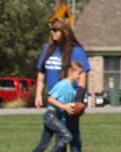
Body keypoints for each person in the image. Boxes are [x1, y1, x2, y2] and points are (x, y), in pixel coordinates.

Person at [34, 18, 91, 152]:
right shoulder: (48, 49)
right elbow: (41, 73)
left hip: (69, 101)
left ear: (64, 32)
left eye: (55, 30)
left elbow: (82, 75)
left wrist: (78, 100)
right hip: (54, 100)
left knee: (72, 136)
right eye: (51, 30)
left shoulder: (76, 50)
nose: (52, 33)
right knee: (55, 138)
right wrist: (38, 94)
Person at [31, 59, 82, 152]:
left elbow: (66, 103)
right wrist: (63, 106)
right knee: (66, 136)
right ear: (71, 71)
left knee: (42, 146)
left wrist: (76, 107)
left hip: (56, 117)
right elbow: (50, 99)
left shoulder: (73, 89)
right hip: (51, 116)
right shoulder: (63, 84)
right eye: (79, 73)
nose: (80, 76)